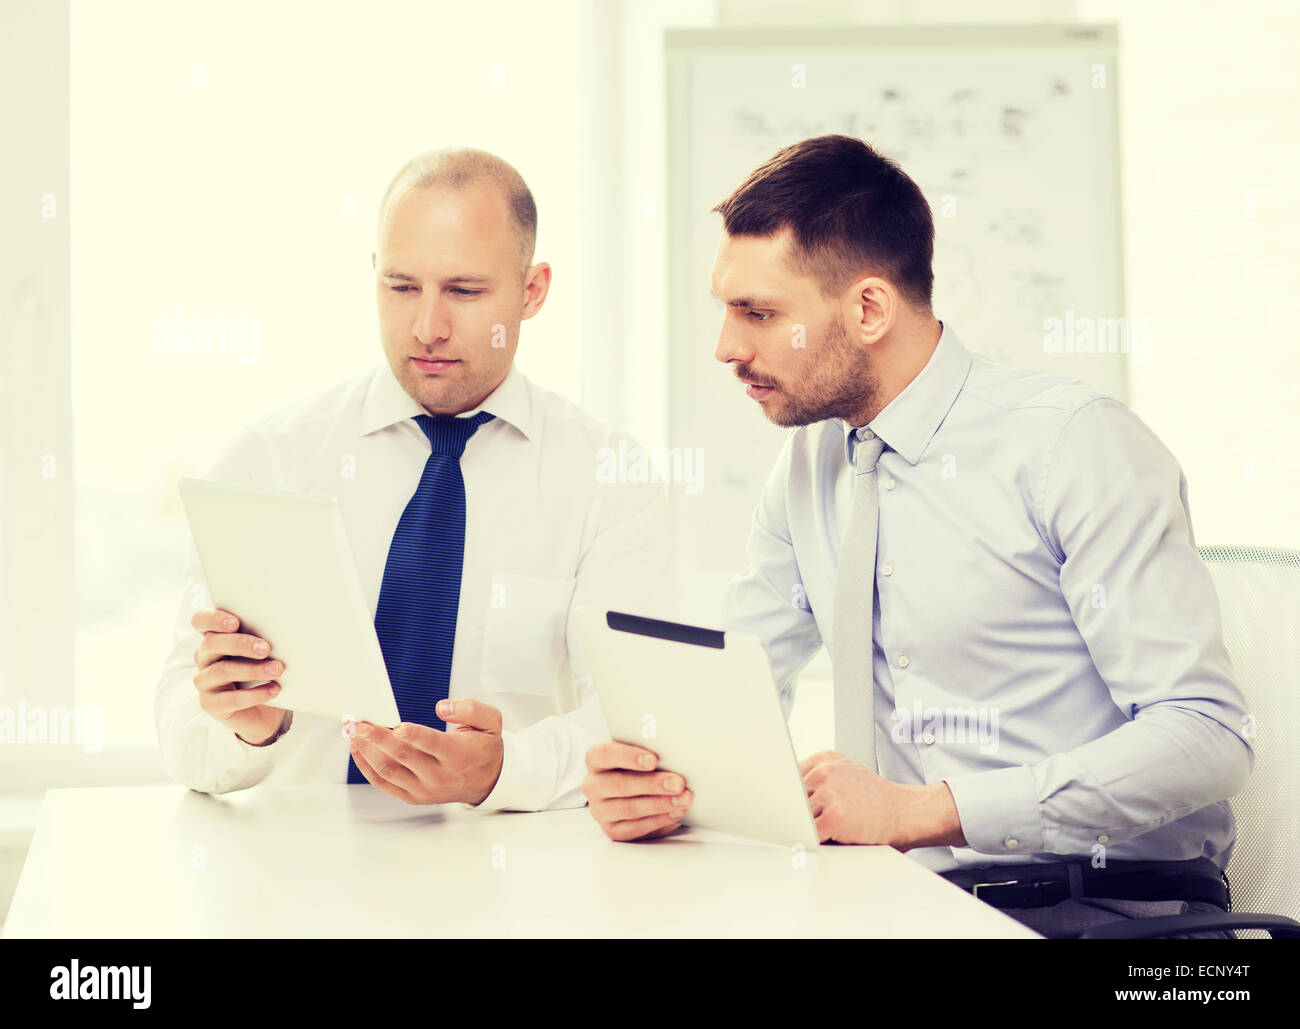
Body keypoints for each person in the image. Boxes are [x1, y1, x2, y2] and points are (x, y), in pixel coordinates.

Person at [581, 134, 1253, 938]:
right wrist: (656, 774)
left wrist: (926, 811)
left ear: (868, 308)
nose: (726, 346)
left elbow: (1209, 735)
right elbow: (734, 679)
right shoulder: (810, 460)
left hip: (1100, 908)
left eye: (758, 313)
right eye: (727, 308)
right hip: (898, 901)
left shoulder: (1072, 445)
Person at [155, 147, 673, 811]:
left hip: (511, 889)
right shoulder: (269, 462)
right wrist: (245, 729)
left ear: (533, 289)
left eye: (464, 290)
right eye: (401, 288)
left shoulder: (609, 479)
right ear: (374, 275)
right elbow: (181, 728)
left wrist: (504, 768)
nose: (427, 327)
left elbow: (638, 722)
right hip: (299, 892)